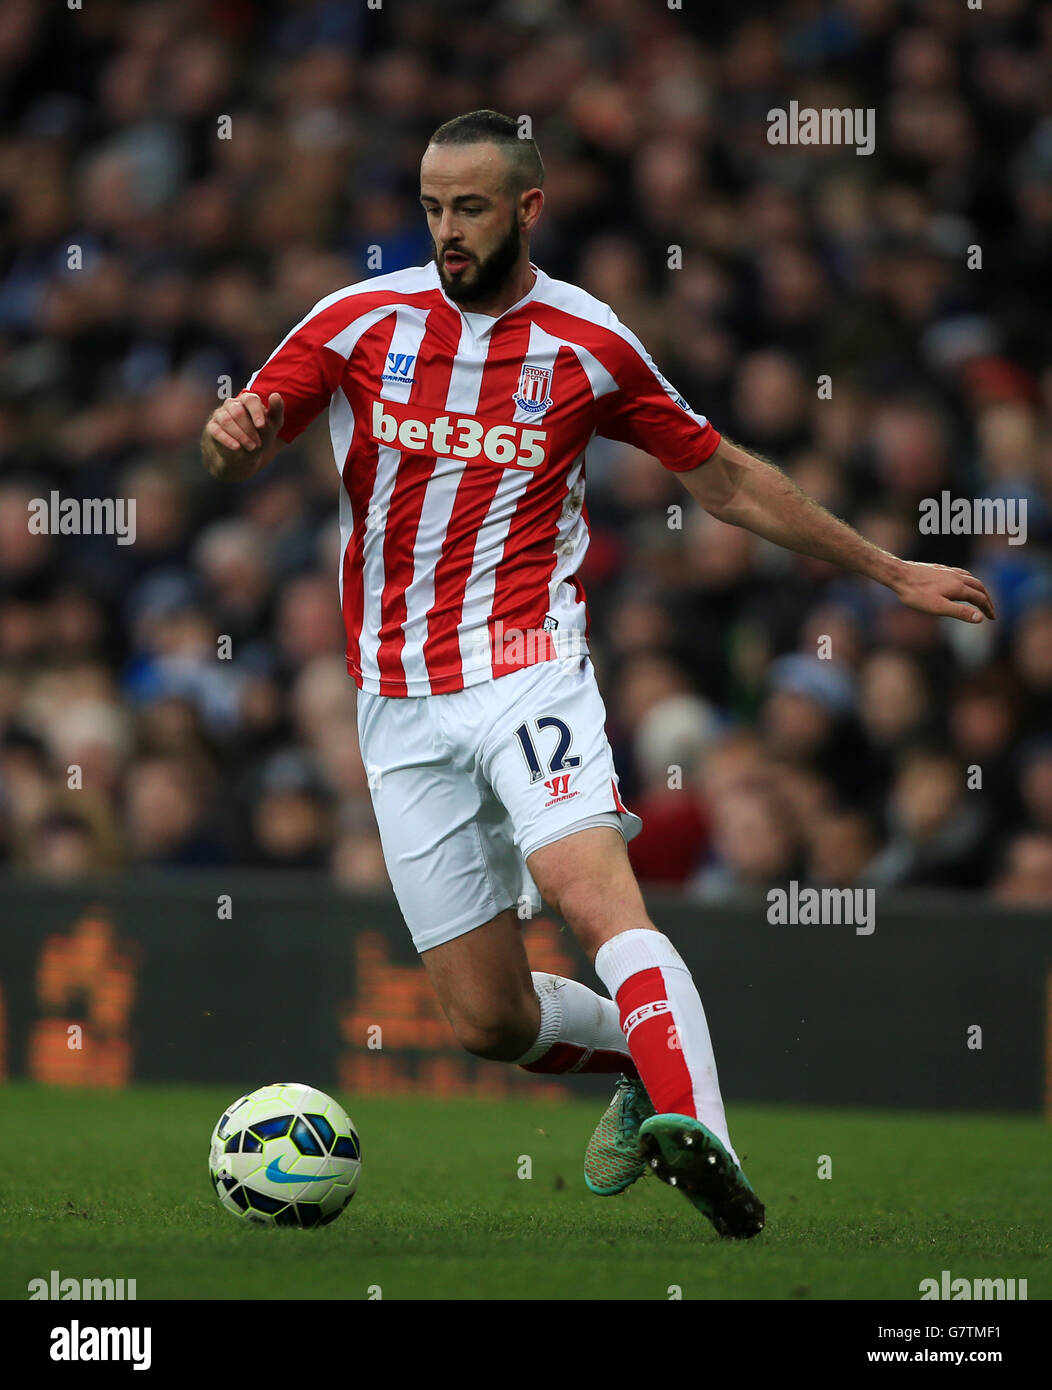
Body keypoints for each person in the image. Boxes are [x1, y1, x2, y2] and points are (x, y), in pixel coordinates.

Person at [200, 110, 995, 1239]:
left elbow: (717, 478)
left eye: (468, 207)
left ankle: (702, 1131)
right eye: (430, 207)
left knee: (591, 893)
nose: (445, 231)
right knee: (484, 1018)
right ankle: (637, 1056)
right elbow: (238, 437)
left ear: (528, 207)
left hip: (529, 666)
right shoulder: (355, 322)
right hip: (397, 698)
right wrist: (224, 440)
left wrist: (881, 568)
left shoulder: (587, 342)